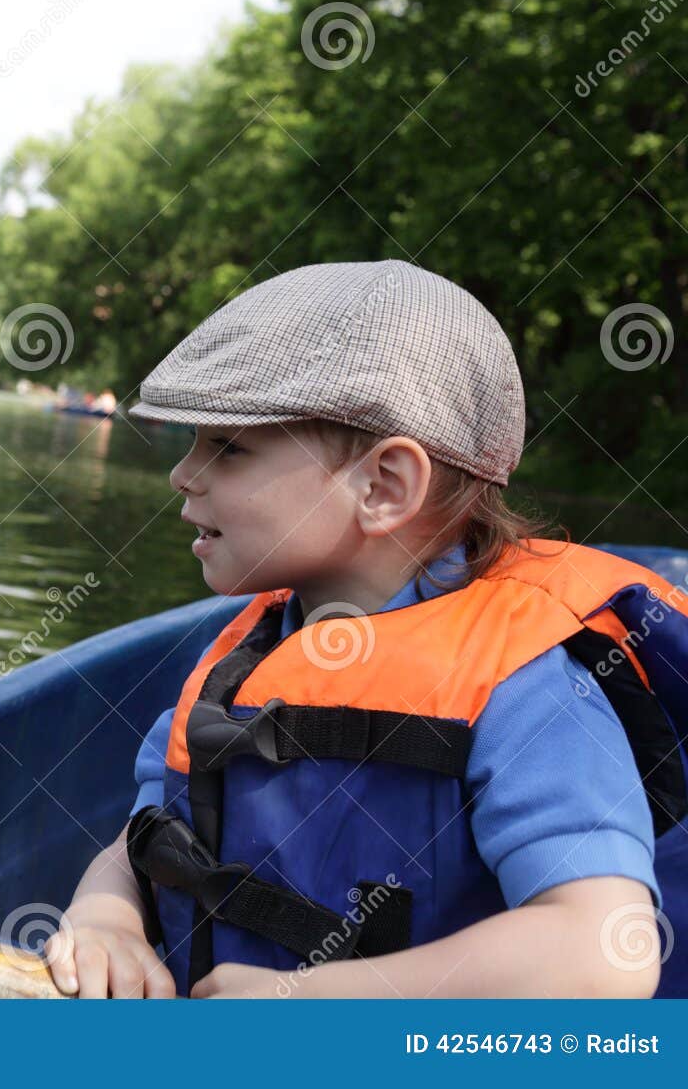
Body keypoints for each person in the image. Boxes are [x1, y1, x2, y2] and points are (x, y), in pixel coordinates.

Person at [43, 260, 688, 999]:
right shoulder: (246, 660)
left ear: (383, 486)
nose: (182, 474)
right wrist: (107, 919)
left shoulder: (531, 690)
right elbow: (141, 842)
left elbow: (603, 953)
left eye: (228, 447)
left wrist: (319, 1000)